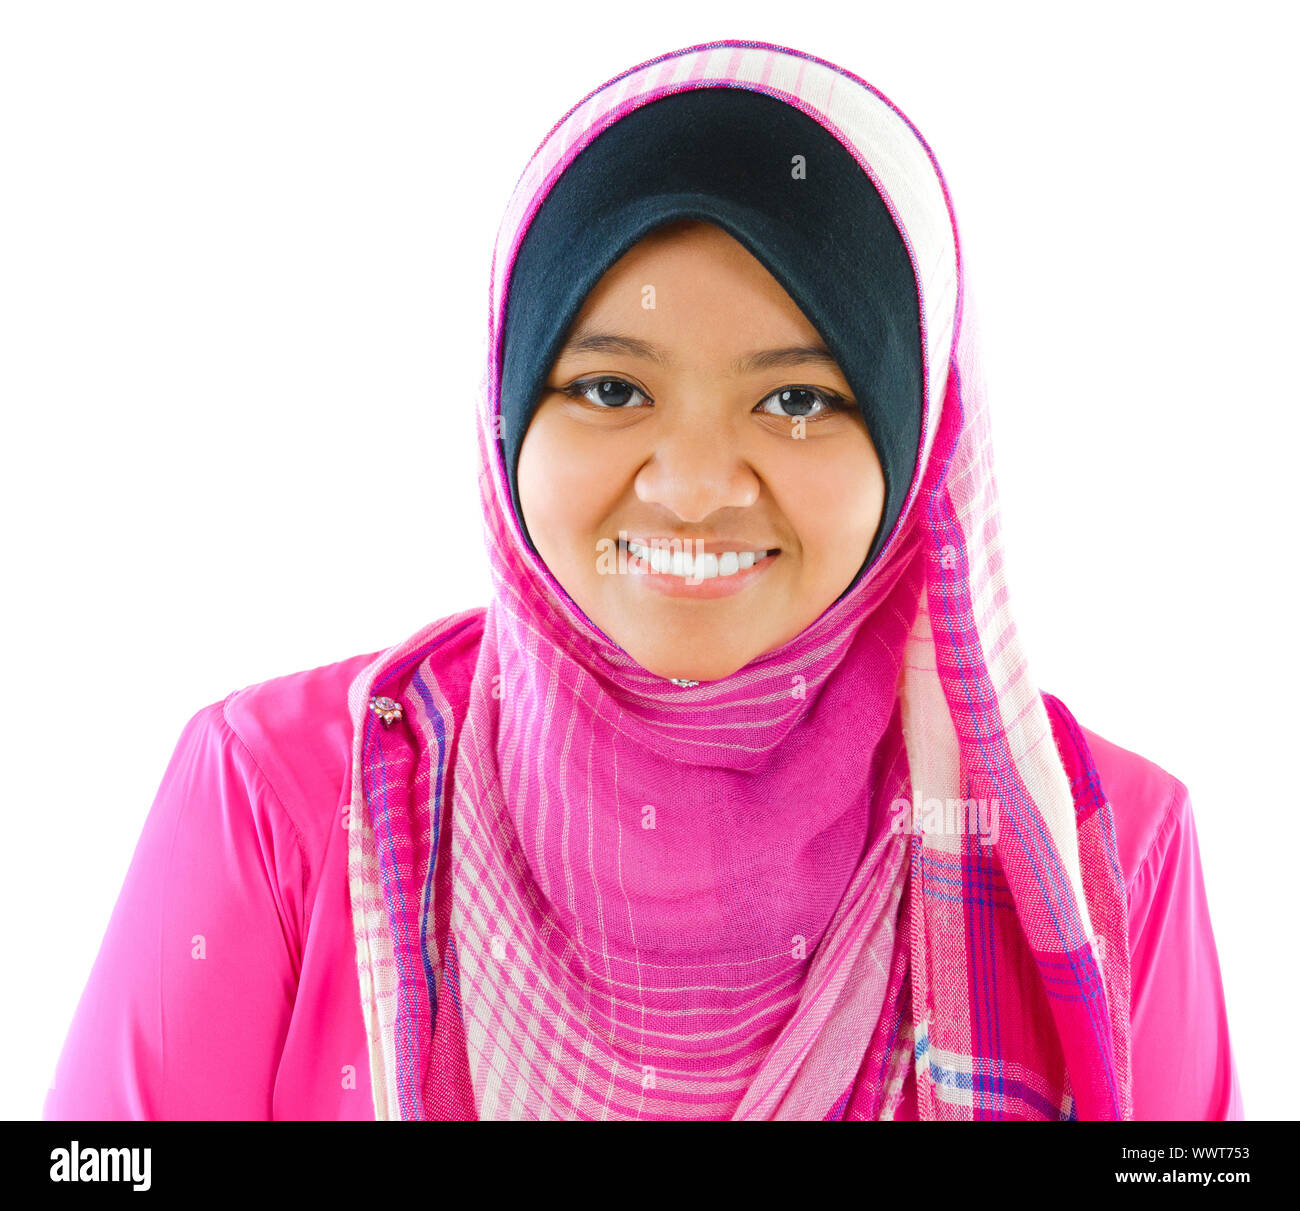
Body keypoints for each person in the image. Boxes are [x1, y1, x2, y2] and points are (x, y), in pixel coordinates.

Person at [43, 38, 1243, 1121]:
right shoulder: (282, 802)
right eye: (612, 388)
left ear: (916, 439)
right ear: (506, 415)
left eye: (800, 399)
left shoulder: (1100, 857)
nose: (694, 485)